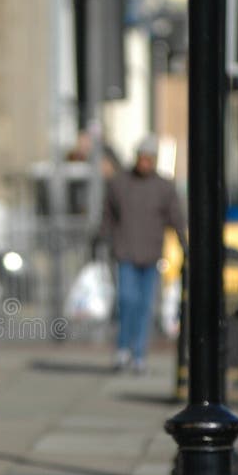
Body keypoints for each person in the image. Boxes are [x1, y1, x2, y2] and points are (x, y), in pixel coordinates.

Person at [98, 134, 187, 374]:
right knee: (127, 301)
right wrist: (100, 239)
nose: (144, 163)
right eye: (142, 158)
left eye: (149, 159)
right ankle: (122, 349)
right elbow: (107, 215)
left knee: (145, 306)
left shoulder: (164, 187)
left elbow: (176, 218)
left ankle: (139, 354)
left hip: (150, 254)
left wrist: (183, 243)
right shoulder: (119, 183)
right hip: (125, 251)